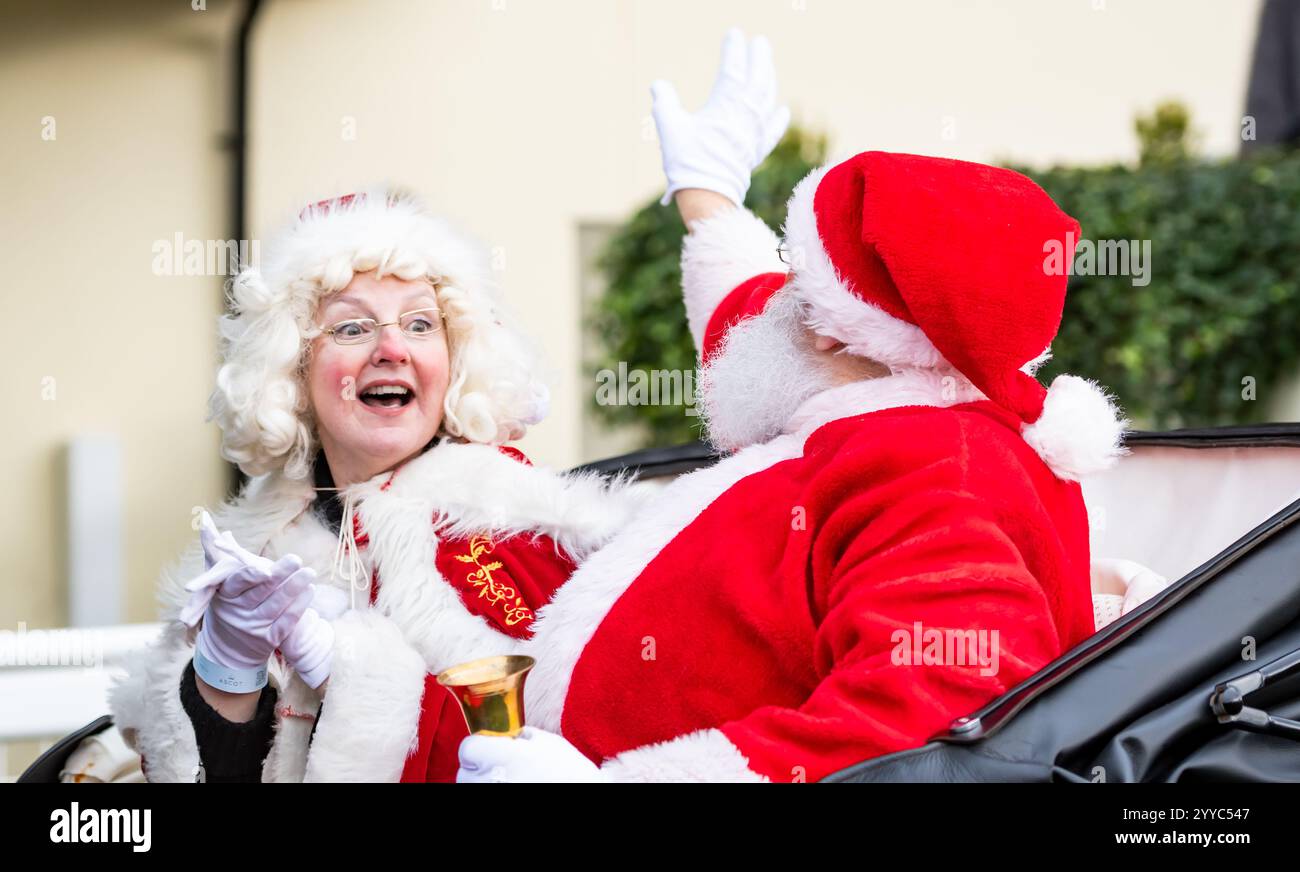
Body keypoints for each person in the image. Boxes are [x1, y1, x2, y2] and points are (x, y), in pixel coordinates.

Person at [456, 30, 1132, 783]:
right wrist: (707, 192)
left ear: (836, 329)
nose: (776, 293)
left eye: (798, 275)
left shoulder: (946, 481)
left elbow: (930, 727)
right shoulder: (882, 379)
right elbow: (751, 320)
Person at [107, 189, 641, 782]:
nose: (392, 349)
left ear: (455, 356)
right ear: (295, 367)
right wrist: (227, 672)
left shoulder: (526, 528)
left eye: (419, 323)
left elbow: (578, 738)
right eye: (353, 327)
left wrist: (350, 672)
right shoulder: (254, 551)